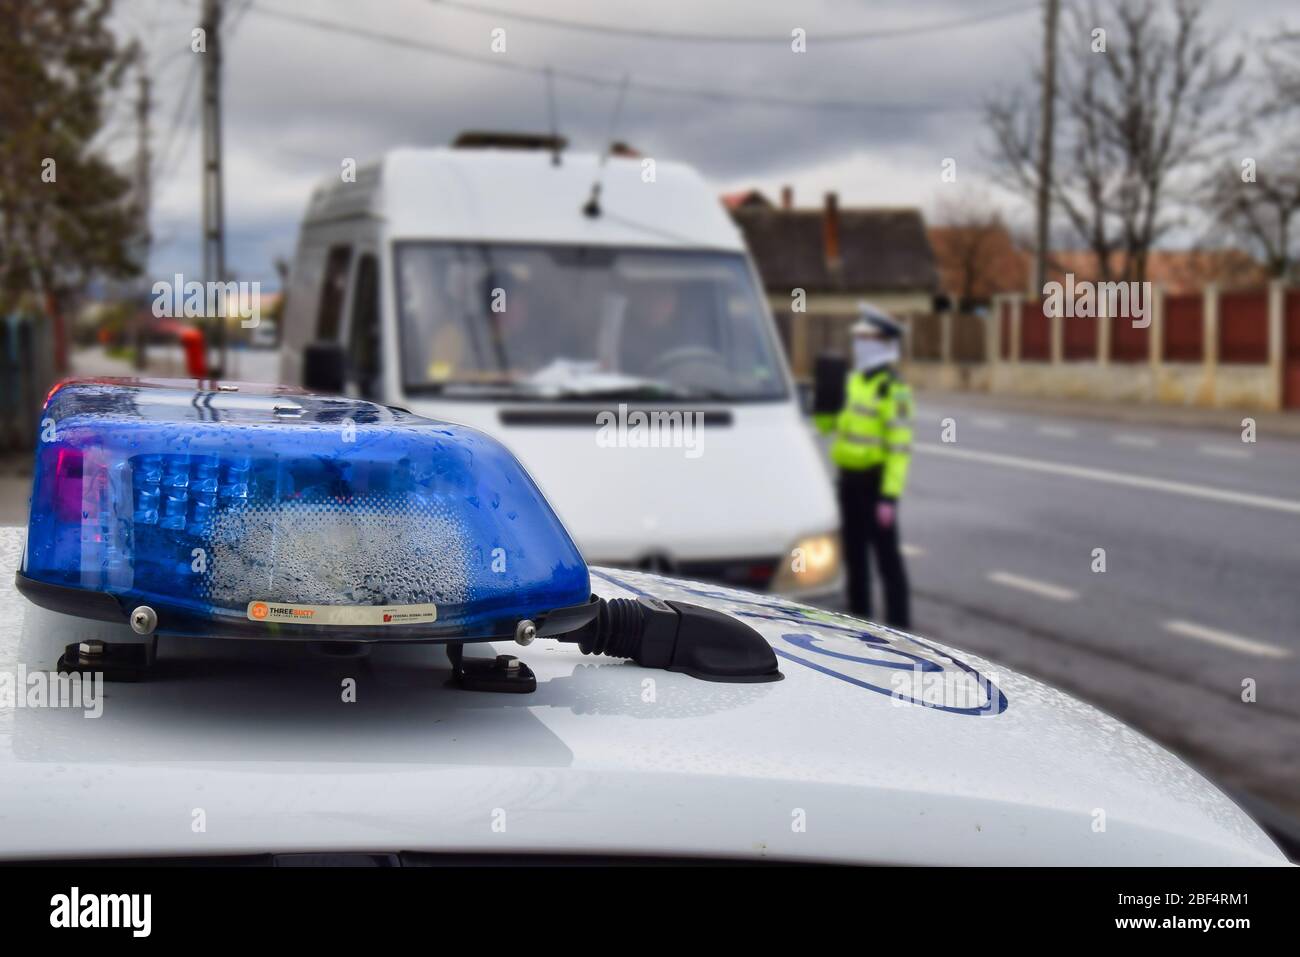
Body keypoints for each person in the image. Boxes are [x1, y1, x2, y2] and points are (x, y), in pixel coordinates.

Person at [815, 304, 913, 628]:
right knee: (855, 561)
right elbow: (828, 427)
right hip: (848, 484)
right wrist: (824, 398)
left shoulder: (893, 389)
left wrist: (889, 497)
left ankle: (902, 632)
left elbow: (899, 449)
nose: (858, 343)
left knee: (888, 564)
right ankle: (860, 629)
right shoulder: (853, 381)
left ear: (882, 342)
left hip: (875, 486)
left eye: (865, 337)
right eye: (857, 337)